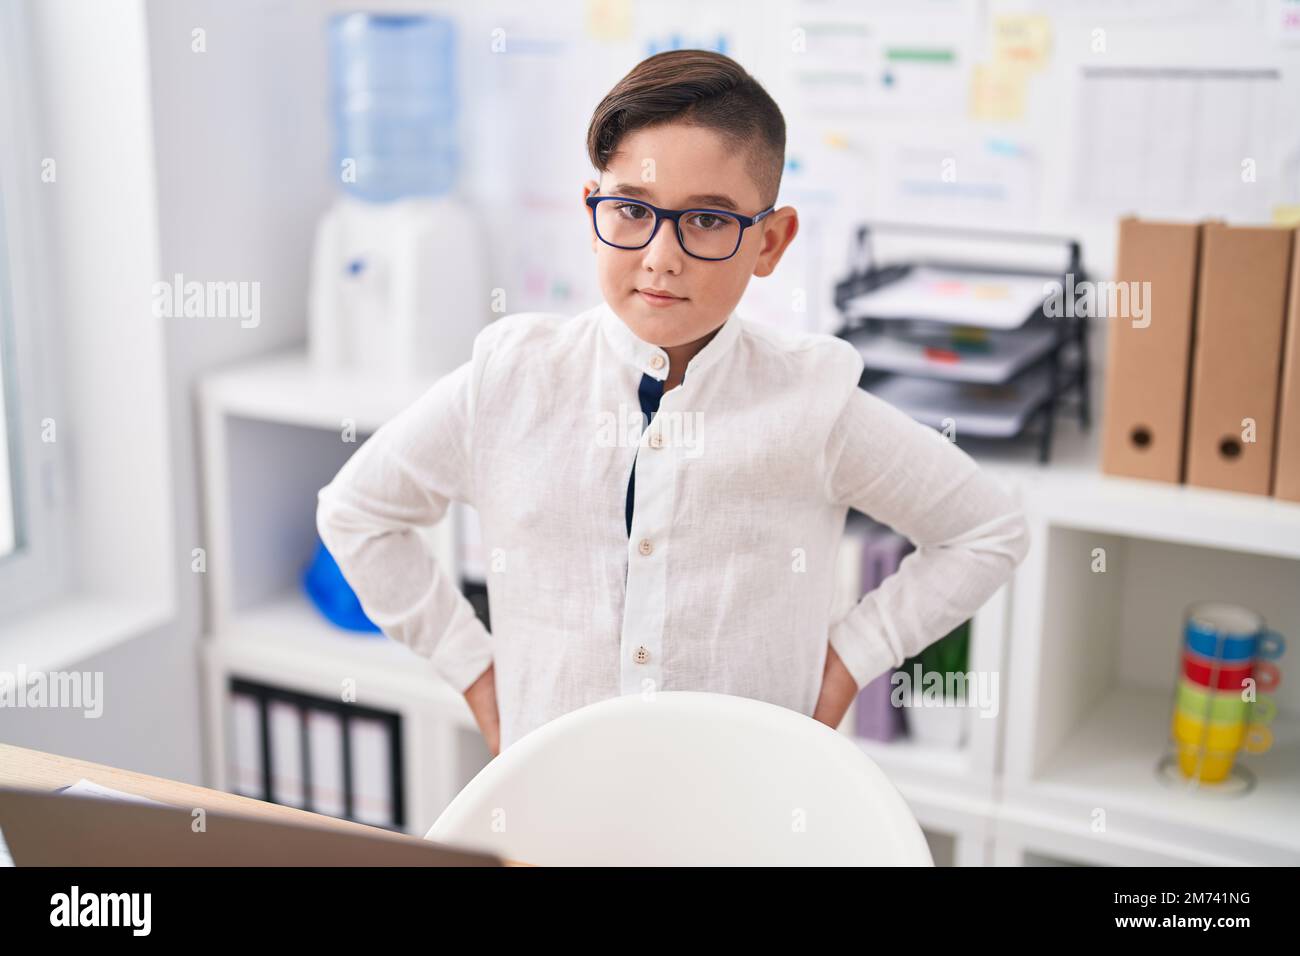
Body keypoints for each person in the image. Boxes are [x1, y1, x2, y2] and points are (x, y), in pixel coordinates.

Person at [316, 49, 1031, 756]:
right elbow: (357, 512)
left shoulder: (813, 400)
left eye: (709, 221)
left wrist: (848, 664)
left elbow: (986, 529)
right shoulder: (510, 379)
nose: (662, 256)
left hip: (743, 804)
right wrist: (474, 671)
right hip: (560, 802)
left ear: (771, 242)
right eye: (631, 209)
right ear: (593, 207)